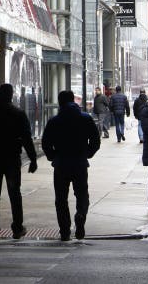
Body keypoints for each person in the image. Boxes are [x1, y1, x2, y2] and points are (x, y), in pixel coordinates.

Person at [0, 83, 38, 243]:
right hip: (12, 158)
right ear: (11, 95)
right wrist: (32, 158)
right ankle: (17, 228)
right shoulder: (18, 114)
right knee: (14, 193)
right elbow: (26, 138)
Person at [42, 90, 100, 241]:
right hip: (80, 163)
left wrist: (52, 156)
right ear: (73, 100)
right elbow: (95, 141)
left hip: (61, 164)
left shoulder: (54, 121)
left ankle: (65, 231)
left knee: (61, 199)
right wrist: (87, 154)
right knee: (82, 195)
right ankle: (80, 215)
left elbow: (46, 143)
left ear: (60, 102)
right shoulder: (85, 118)